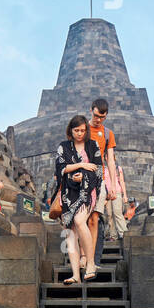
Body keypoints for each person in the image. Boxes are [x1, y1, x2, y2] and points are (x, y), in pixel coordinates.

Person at [54, 115, 102, 285]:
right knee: (70, 233)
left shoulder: (92, 145)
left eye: (82, 130)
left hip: (87, 192)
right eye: (76, 130)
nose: (80, 133)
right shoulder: (64, 146)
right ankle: (75, 274)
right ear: (70, 130)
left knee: (80, 220)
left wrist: (84, 177)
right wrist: (81, 166)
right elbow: (61, 168)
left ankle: (90, 264)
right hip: (68, 193)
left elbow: (98, 171)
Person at [87, 98, 117, 267]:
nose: (99, 119)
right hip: (81, 178)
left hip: (99, 179)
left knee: (95, 219)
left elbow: (110, 160)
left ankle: (93, 259)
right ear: (91, 110)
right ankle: (84, 257)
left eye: (102, 117)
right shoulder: (81, 129)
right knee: (80, 220)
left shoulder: (107, 133)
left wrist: (112, 184)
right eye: (97, 115)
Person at [106, 160, 129, 242]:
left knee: (117, 213)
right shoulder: (103, 168)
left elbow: (122, 181)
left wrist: (125, 195)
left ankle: (123, 233)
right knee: (109, 215)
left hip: (117, 192)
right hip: (107, 194)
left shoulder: (117, 168)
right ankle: (113, 235)